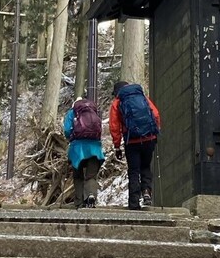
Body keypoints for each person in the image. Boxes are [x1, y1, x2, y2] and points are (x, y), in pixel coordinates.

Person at [108, 80, 161, 210]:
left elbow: (114, 126)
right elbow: (155, 114)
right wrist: (155, 132)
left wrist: (117, 146)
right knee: (146, 166)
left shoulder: (117, 102)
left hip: (131, 141)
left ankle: (134, 203)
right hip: (149, 138)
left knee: (134, 171)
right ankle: (147, 191)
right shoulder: (142, 97)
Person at [62, 98, 105, 208]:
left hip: (78, 149)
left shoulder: (72, 113)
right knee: (91, 176)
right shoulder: (94, 112)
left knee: (78, 176)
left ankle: (79, 202)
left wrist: (71, 138)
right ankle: (90, 195)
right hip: (95, 148)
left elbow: (67, 130)